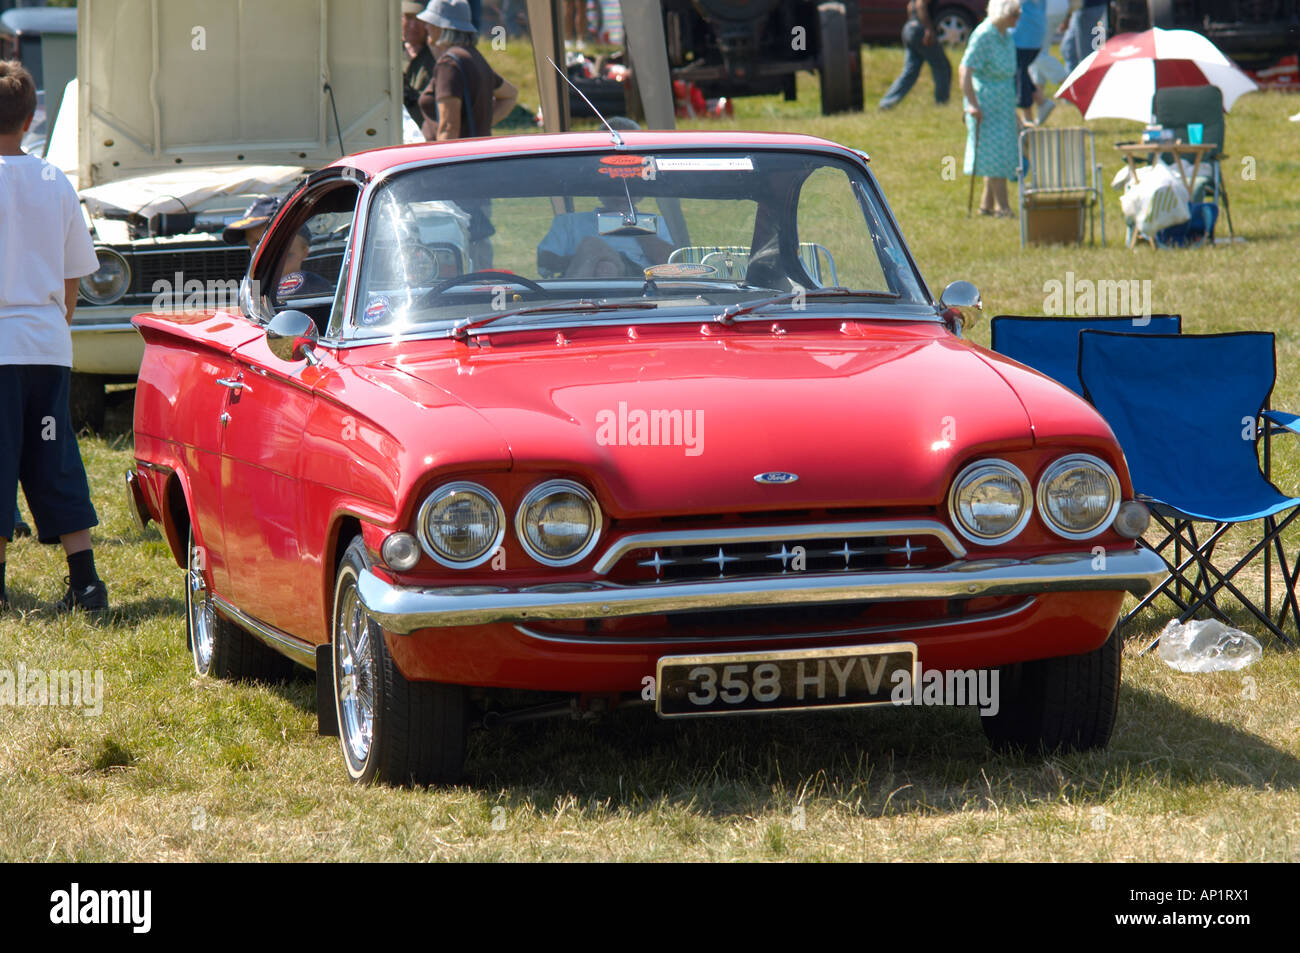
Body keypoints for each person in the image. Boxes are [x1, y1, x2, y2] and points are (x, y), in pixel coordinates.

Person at [0, 60, 107, 613]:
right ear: (31, 116)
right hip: (45, 346)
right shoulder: (53, 180)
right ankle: (85, 581)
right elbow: (73, 278)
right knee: (54, 454)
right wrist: (54, 327)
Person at [416, 0, 518, 267]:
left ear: (441, 28)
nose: (426, 29)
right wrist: (481, 128)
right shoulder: (473, 57)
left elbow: (448, 128)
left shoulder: (449, 64)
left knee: (452, 247)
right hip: (477, 171)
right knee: (478, 243)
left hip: (453, 177)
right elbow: (510, 95)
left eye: (430, 24)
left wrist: (433, 173)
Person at [959, 0, 1022, 217]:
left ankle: (986, 206)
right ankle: (1003, 208)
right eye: (1014, 14)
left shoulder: (1006, 35)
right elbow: (965, 70)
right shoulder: (984, 34)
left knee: (1000, 153)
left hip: (1003, 102)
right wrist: (973, 104)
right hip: (985, 103)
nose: (1018, 17)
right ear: (1001, 14)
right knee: (995, 156)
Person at [878, 1, 952, 110]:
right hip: (920, 30)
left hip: (910, 28)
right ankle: (942, 104)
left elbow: (910, 6)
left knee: (910, 72)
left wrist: (913, 23)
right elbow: (920, 4)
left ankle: (886, 104)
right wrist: (928, 29)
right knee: (942, 67)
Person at [402, 0, 437, 135]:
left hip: (427, 136)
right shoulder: (389, 54)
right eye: (409, 17)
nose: (413, 25)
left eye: (419, 19)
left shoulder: (437, 55)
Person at [1012, 0, 1047, 127]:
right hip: (1036, 33)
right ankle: (1040, 101)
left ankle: (1028, 116)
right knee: (1021, 72)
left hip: (1022, 34)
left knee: (1020, 74)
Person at [1061, 1, 1106, 76]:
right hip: (1082, 8)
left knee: (1086, 56)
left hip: (1089, 7)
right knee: (1068, 49)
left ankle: (1089, 83)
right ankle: (1073, 83)